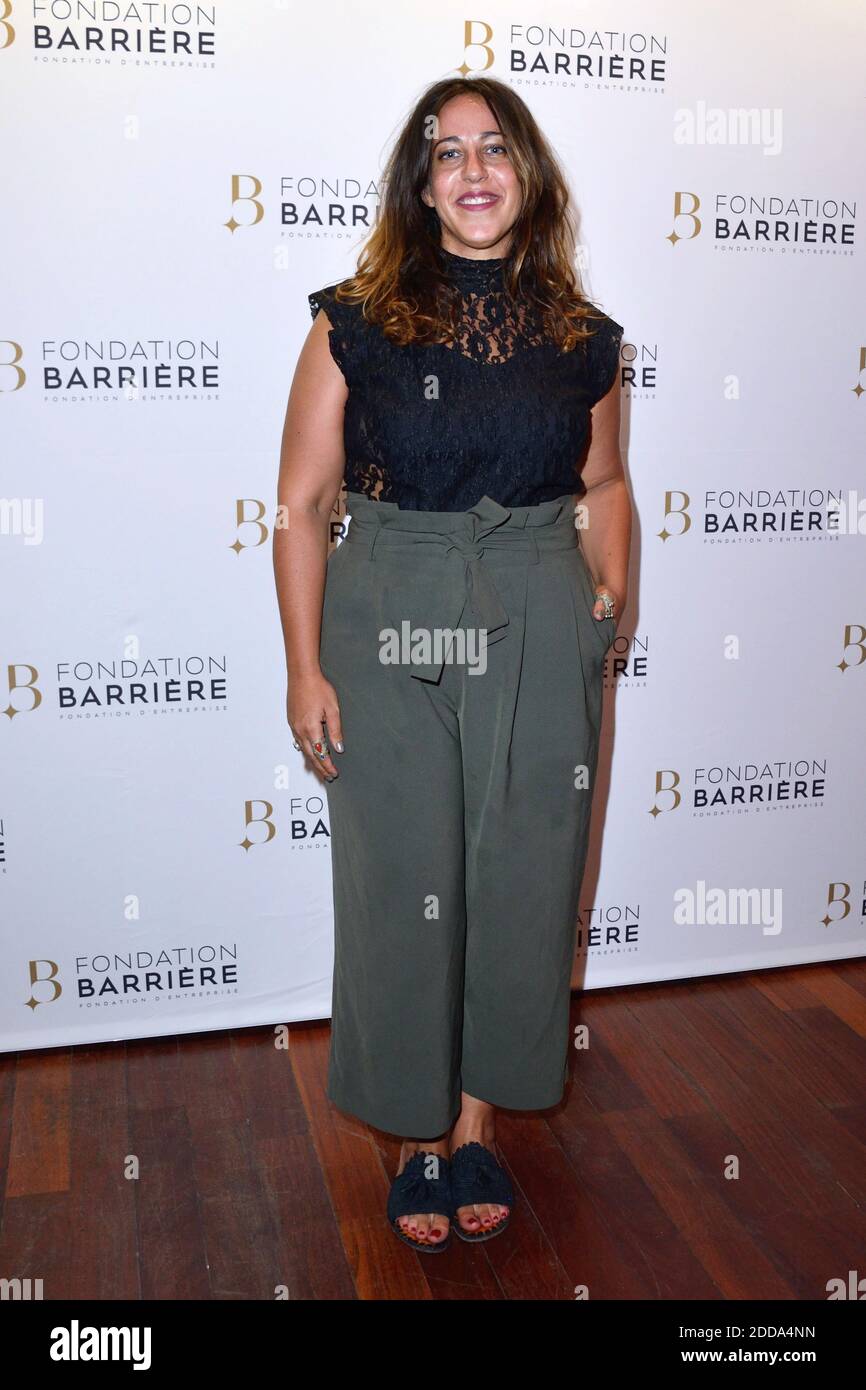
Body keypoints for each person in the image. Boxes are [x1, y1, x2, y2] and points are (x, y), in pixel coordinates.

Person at [273, 75, 632, 1253]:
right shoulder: (352, 323)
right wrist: (302, 670)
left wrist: (604, 604)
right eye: (447, 155)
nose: (472, 171)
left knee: (523, 874)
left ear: (525, 174)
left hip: (536, 600)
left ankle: (475, 1124)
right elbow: (302, 501)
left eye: (494, 149)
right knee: (401, 879)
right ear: (420, 188)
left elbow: (604, 484)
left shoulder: (584, 339)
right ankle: (416, 1135)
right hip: (387, 605)